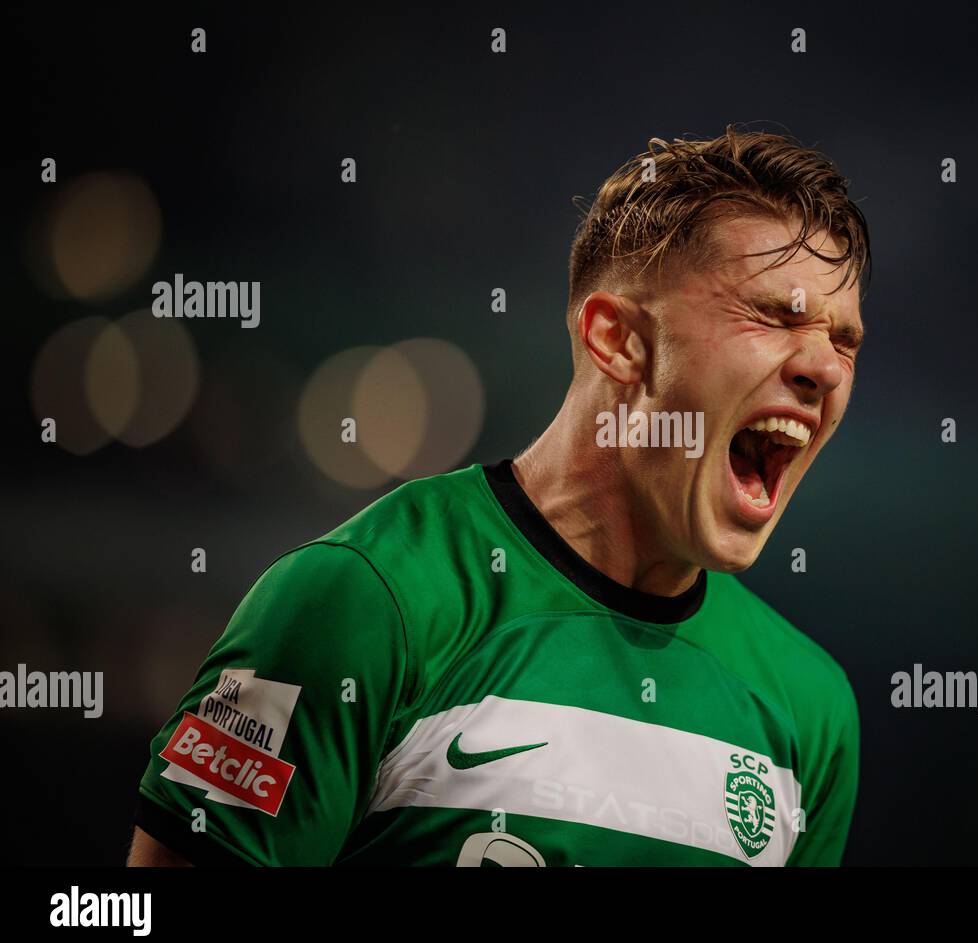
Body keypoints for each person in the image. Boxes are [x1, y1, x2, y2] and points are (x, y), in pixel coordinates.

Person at [129, 125, 870, 866]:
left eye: (845, 340)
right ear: (619, 341)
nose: (826, 369)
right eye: (776, 315)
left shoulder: (810, 705)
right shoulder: (360, 603)